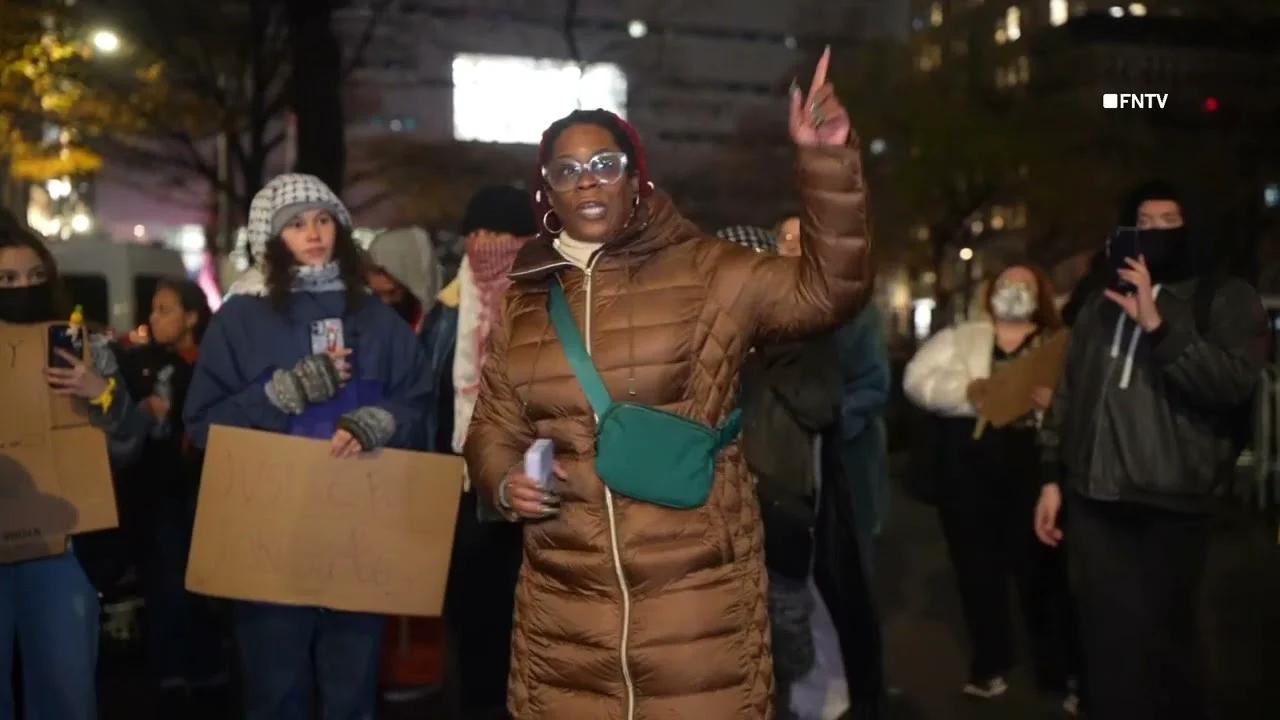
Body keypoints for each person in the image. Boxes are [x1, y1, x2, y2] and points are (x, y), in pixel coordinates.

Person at [464, 49, 870, 718]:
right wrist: (505, 481)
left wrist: (827, 162)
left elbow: (829, 290)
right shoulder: (525, 301)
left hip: (699, 605)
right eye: (567, 171)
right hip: (567, 619)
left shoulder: (708, 270)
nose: (588, 182)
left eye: (605, 165)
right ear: (550, 194)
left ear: (637, 180)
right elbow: (493, 428)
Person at [183, 173, 430, 720]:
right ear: (271, 238)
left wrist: (382, 419)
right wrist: (281, 394)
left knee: (353, 692)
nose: (313, 233)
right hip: (269, 539)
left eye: (323, 220)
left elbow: (419, 404)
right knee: (275, 693)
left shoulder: (376, 319)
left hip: (360, 535)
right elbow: (201, 425)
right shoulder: (240, 320)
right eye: (295, 224)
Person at [1035, 181, 1267, 720]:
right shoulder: (1098, 304)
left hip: (1173, 499)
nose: (1157, 231)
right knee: (1105, 645)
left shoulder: (1225, 298)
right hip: (1096, 497)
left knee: (1170, 647)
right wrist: (1051, 475)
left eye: (1170, 220)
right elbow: (1069, 395)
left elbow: (1232, 385)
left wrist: (1160, 327)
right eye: (1145, 219)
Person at [719, 225, 885, 720]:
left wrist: (773, 348)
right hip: (715, 515)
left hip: (787, 509)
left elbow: (827, 404)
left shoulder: (811, 335)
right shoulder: (699, 337)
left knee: (793, 631)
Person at [903, 263, 1079, 708]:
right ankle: (989, 664)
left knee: (1042, 571)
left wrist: (1053, 404)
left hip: (1035, 467)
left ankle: (1058, 671)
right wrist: (970, 391)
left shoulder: (1059, 344)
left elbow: (1084, 400)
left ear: (1040, 292)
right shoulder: (962, 338)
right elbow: (916, 381)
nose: (1013, 291)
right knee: (976, 570)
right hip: (969, 467)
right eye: (1006, 283)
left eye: (1024, 284)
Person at [0, 209, 147, 720]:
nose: (24, 289)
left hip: (64, 550)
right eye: (7, 280)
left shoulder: (85, 349)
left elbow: (129, 446)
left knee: (65, 692)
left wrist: (101, 394)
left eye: (35, 277)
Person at [445, 185, 536, 719]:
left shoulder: (549, 297)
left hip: (535, 486)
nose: (486, 246)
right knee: (474, 621)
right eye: (476, 234)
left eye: (499, 234)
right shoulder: (449, 306)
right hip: (463, 488)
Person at [116, 278, 227, 715]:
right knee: (166, 581)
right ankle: (172, 673)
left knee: (200, 581)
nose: (154, 318)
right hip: (159, 494)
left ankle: (207, 667)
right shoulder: (141, 364)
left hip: (203, 489)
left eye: (166, 309)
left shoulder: (211, 366)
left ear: (192, 317)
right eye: (154, 309)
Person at [366, 227, 457, 452]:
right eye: (378, 295)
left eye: (393, 293)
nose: (385, 304)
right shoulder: (368, 323)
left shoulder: (451, 326)